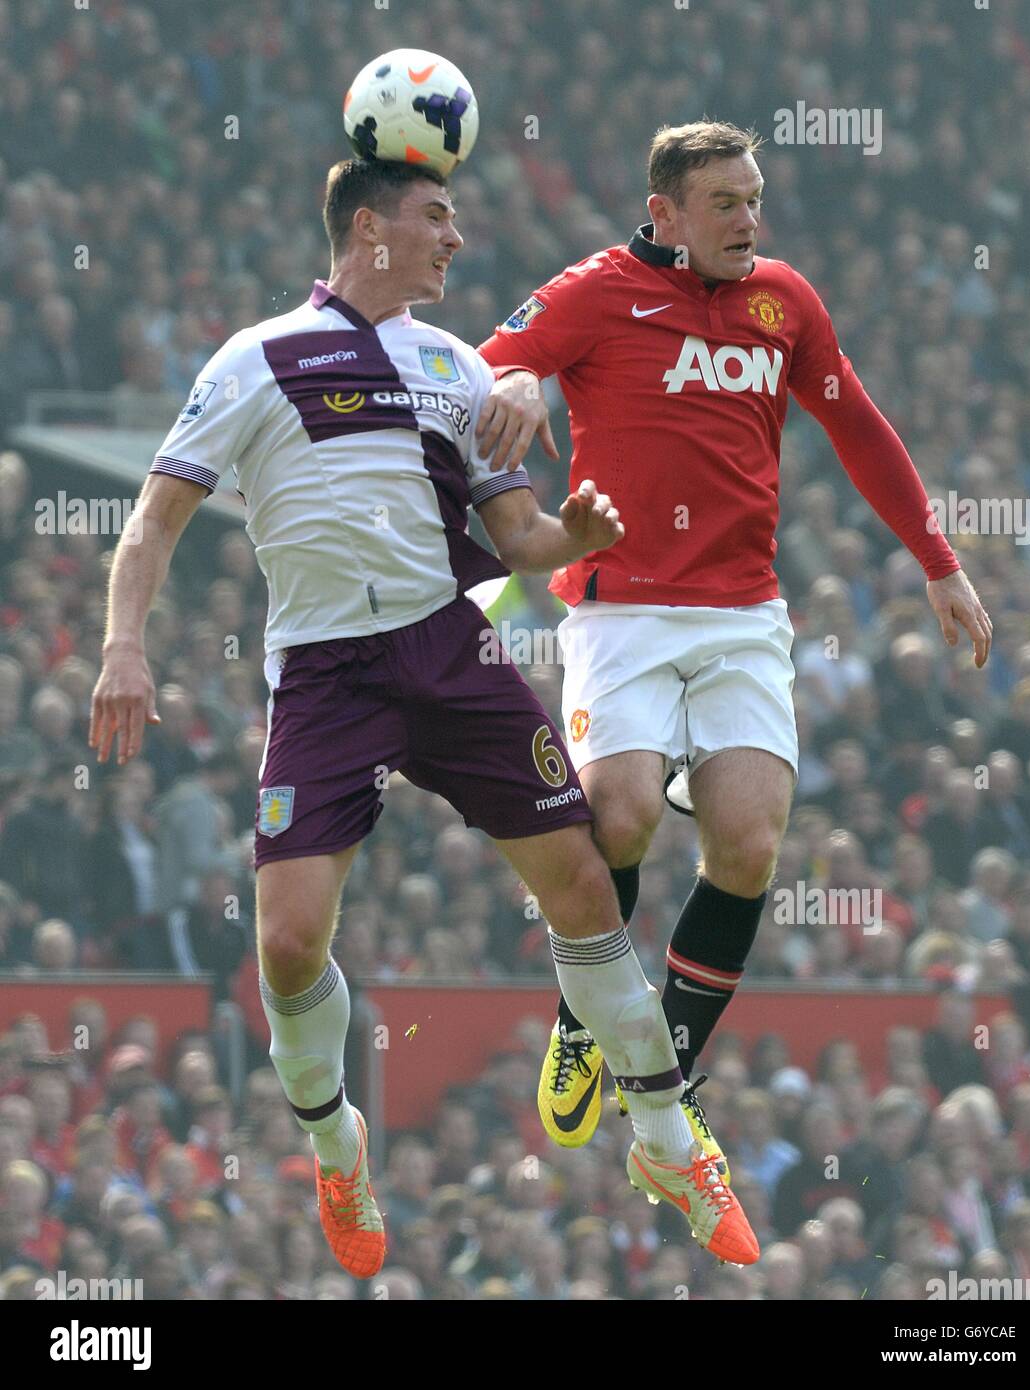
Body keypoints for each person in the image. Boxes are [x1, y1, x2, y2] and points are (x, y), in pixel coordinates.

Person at [89, 157, 759, 1277]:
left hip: (447, 651)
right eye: (436, 216)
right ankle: (337, 1144)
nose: (455, 238)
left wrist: (578, 534)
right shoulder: (256, 359)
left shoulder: (457, 368)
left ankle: (665, 1138)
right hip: (324, 677)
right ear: (369, 226)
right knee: (290, 946)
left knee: (586, 885)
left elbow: (519, 541)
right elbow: (156, 520)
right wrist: (120, 645)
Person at [477, 120, 993, 1169]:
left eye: (754, 199)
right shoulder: (592, 289)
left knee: (750, 843)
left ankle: (659, 1066)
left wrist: (937, 558)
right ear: (663, 210)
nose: (748, 219)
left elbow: (856, 424)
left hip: (743, 614)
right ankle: (584, 1022)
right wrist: (516, 377)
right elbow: (484, 363)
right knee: (617, 816)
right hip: (619, 605)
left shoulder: (782, 303)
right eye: (725, 203)